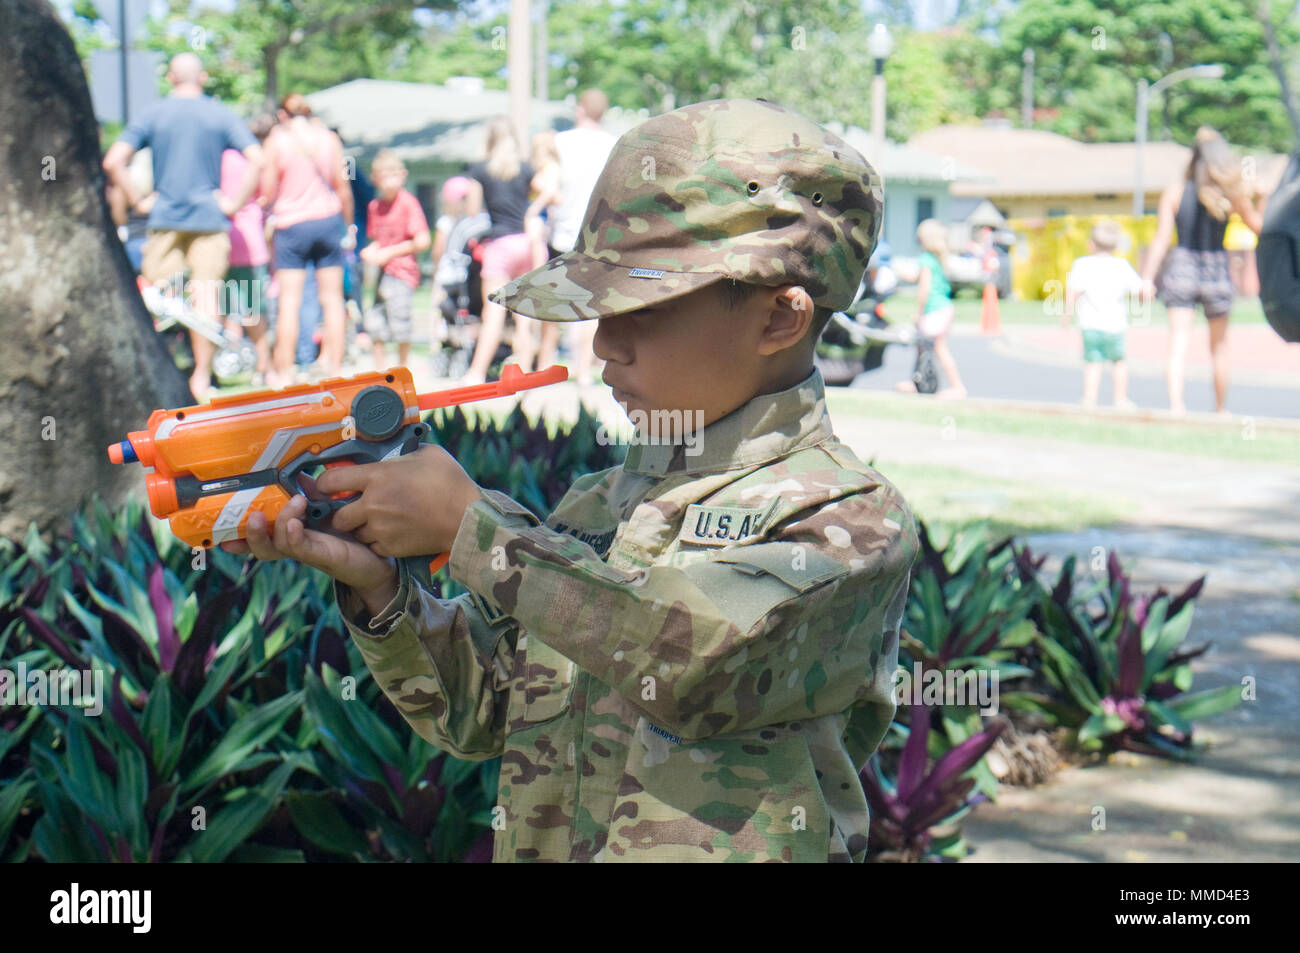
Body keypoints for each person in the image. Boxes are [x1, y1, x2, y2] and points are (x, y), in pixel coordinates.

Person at [221, 98, 919, 863]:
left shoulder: (848, 520)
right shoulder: (598, 503)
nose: (605, 342)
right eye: (599, 305)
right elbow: (481, 711)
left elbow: (687, 660)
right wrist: (383, 591)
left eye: (643, 308)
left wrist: (472, 530)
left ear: (780, 319)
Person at [102, 52, 263, 401]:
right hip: (209, 218)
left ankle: (155, 372)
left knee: (156, 297)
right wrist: (234, 203)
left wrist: (140, 201)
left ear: (171, 78)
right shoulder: (220, 113)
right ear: (202, 78)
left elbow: (113, 161)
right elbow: (258, 159)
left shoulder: (153, 114)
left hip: (165, 220)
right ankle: (202, 378)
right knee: (206, 297)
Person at [1140, 126, 1266, 415]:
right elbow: (1258, 227)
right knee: (1219, 347)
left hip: (1182, 266)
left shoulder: (1174, 192)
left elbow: (1161, 238)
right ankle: (1220, 410)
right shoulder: (1230, 195)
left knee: (1177, 343)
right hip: (1217, 268)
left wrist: (1147, 278)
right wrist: (1262, 197)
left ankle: (1176, 407)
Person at [259, 93, 354, 386]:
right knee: (333, 299)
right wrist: (348, 227)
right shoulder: (329, 138)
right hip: (327, 221)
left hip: (291, 224)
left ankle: (284, 371)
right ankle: (334, 367)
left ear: (283, 114)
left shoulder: (276, 141)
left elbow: (268, 189)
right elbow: (343, 187)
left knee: (289, 300)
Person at [459, 116, 554, 384]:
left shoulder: (480, 169)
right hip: (527, 244)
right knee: (525, 313)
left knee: (494, 313)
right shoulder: (525, 169)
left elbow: (472, 210)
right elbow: (551, 192)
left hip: (499, 245)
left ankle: (476, 372)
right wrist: (532, 209)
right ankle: (523, 375)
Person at [540, 89, 618, 389]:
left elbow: (547, 183)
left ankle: (546, 366)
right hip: (598, 235)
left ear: (580, 110)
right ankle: (583, 370)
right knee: (587, 307)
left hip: (562, 232)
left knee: (551, 300)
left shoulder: (560, 142)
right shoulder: (613, 144)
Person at [1063, 219, 1152, 410]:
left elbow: (1073, 292)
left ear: (1091, 244)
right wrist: (1148, 290)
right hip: (1115, 324)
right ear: (1116, 245)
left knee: (1092, 361)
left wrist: (1067, 315)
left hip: (1090, 323)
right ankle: (1120, 399)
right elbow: (1139, 291)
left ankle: (1089, 398)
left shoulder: (1082, 264)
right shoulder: (1121, 265)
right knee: (1119, 361)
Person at [220, 113, 276, 386]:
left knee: (224, 309)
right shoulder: (256, 161)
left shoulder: (220, 158)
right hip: (250, 243)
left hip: (220, 241)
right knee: (253, 311)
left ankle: (228, 364)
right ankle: (262, 366)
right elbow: (267, 196)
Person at [361, 150, 430, 372]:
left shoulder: (408, 204)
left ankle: (402, 370)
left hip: (403, 272)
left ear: (403, 175)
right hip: (382, 273)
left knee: (400, 323)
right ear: (375, 179)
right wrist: (370, 252)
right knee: (375, 322)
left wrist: (389, 253)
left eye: (394, 175)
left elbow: (422, 240)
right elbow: (377, 241)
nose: (389, 182)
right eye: (384, 176)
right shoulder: (375, 207)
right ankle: (379, 371)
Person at [896, 219, 966, 399]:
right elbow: (915, 277)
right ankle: (917, 380)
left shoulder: (926, 259)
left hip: (935, 309)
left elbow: (924, 289)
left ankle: (957, 387)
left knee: (939, 347)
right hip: (943, 308)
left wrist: (918, 313)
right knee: (922, 346)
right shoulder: (936, 258)